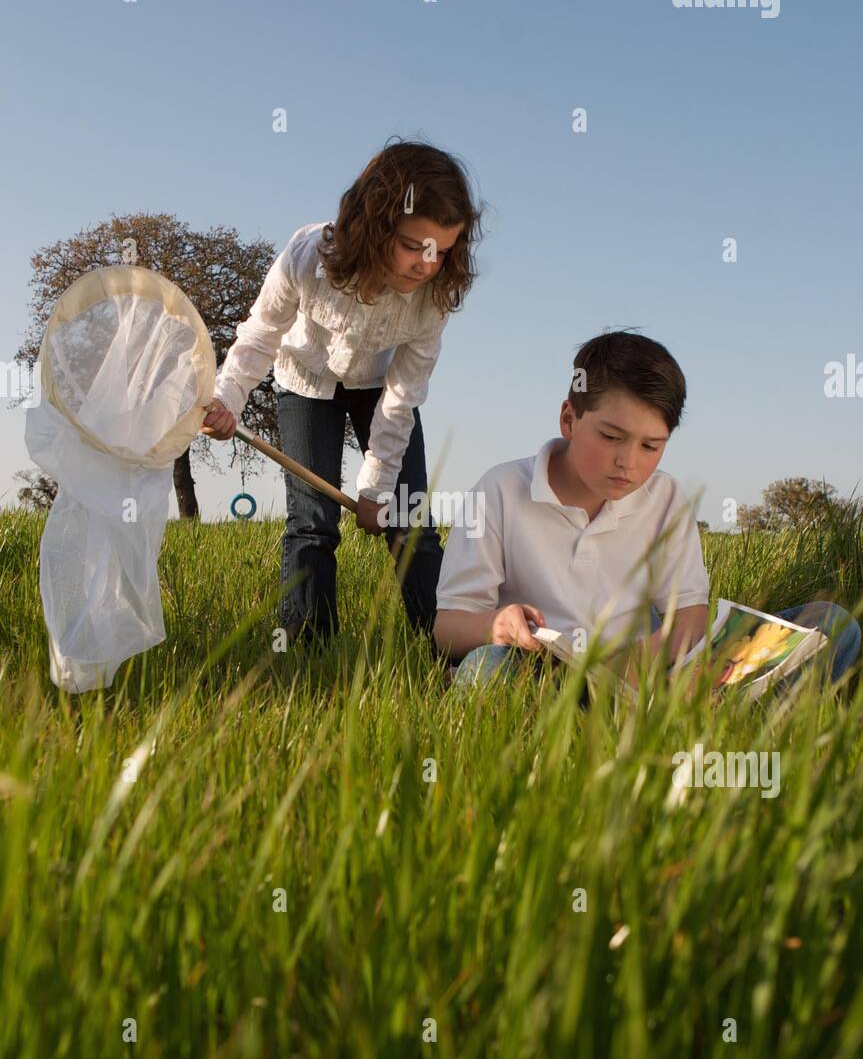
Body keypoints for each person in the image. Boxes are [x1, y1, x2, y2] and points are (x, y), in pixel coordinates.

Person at [433, 330, 861, 691]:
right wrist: (497, 626)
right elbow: (448, 627)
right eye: (611, 436)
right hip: (544, 673)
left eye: (650, 446)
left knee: (832, 625)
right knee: (487, 669)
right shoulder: (500, 490)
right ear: (569, 419)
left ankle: (726, 714)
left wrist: (652, 660)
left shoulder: (665, 498)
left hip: (645, 673)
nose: (629, 462)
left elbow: (689, 615)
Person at [200, 139, 483, 643]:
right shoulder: (308, 257)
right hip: (306, 382)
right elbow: (261, 335)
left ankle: (449, 649)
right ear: (374, 226)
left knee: (408, 520)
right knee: (313, 522)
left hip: (380, 387)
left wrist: (375, 489)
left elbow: (402, 395)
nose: (426, 262)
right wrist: (227, 400)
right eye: (413, 245)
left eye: (441, 249)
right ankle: (309, 647)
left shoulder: (433, 300)